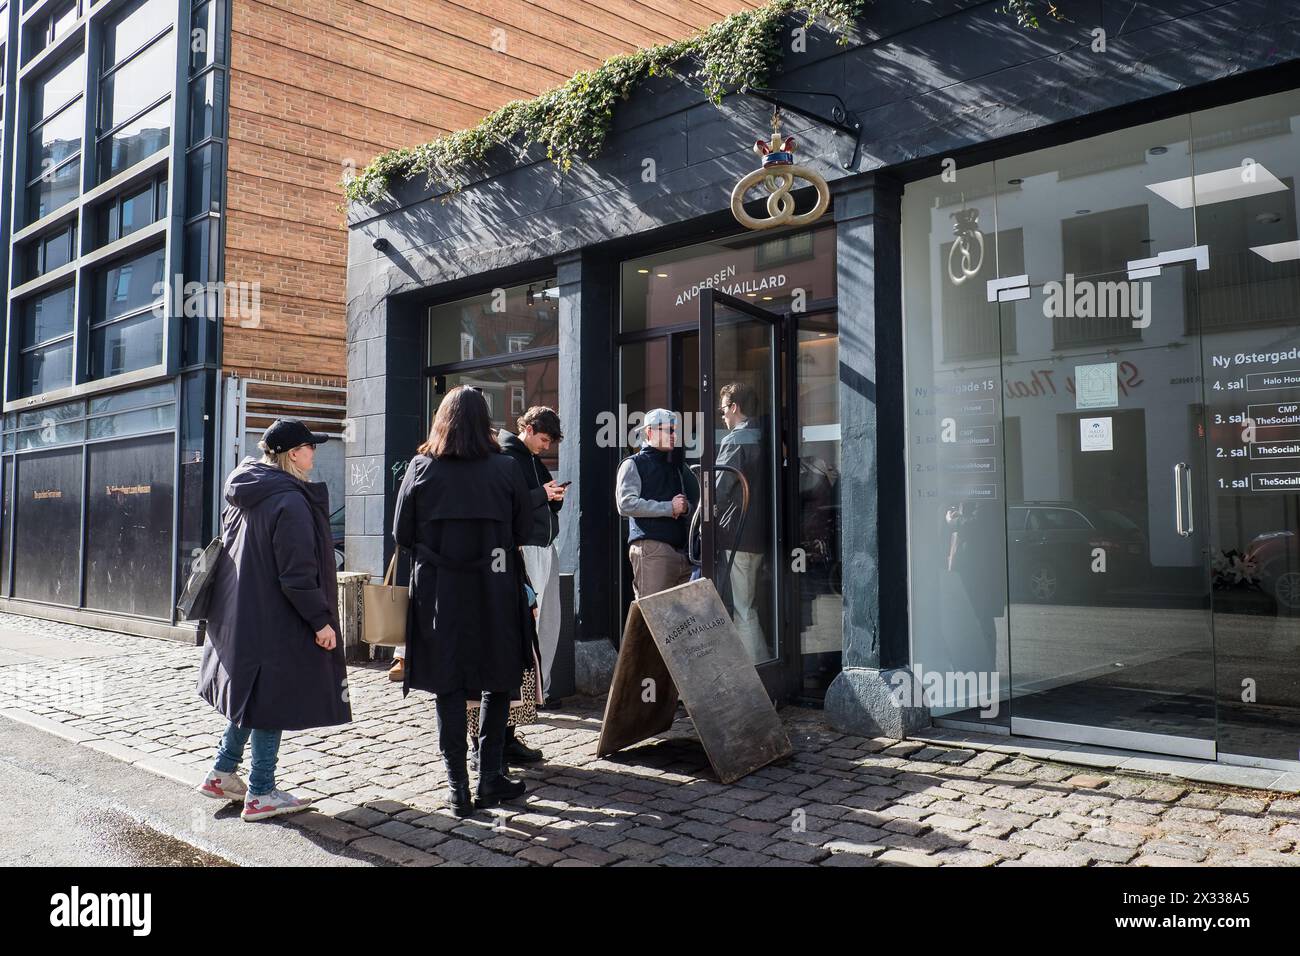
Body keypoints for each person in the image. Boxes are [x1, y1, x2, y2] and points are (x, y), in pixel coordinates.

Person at [195, 419, 351, 821]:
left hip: (243, 613)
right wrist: (321, 622)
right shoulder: (290, 501)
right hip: (275, 617)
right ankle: (261, 791)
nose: (314, 452)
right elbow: (297, 574)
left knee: (252, 696)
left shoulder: (249, 490)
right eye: (310, 447)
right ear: (293, 453)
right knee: (270, 702)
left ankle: (222, 772)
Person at [394, 385, 534, 816]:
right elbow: (523, 532)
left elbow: (402, 535)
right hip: (493, 586)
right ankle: (490, 777)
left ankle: (458, 788)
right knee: (498, 677)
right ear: (484, 423)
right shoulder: (507, 469)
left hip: (440, 591)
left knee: (448, 683)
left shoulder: (421, 468)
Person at [485, 406, 566, 766]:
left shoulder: (531, 459)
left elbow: (533, 501)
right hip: (524, 550)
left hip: (543, 547)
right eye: (544, 439)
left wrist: (554, 501)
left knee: (539, 630)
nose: (545, 447)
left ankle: (517, 721)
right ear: (529, 429)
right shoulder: (507, 458)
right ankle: (500, 735)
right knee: (524, 633)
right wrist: (541, 497)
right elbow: (509, 504)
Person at [616, 408, 699, 599]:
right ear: (650, 432)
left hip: (680, 553)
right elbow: (625, 504)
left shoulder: (674, 468)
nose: (673, 435)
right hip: (652, 549)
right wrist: (669, 507)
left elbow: (683, 506)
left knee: (679, 622)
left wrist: (685, 508)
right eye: (668, 430)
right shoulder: (633, 463)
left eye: (675, 430)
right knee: (652, 617)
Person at [715, 382, 769, 663]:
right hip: (762, 533)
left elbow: (720, 488)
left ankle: (756, 676)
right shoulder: (764, 437)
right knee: (750, 605)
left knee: (743, 609)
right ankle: (761, 665)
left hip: (739, 533)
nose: (722, 415)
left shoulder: (737, 439)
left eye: (723, 409)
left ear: (735, 407)